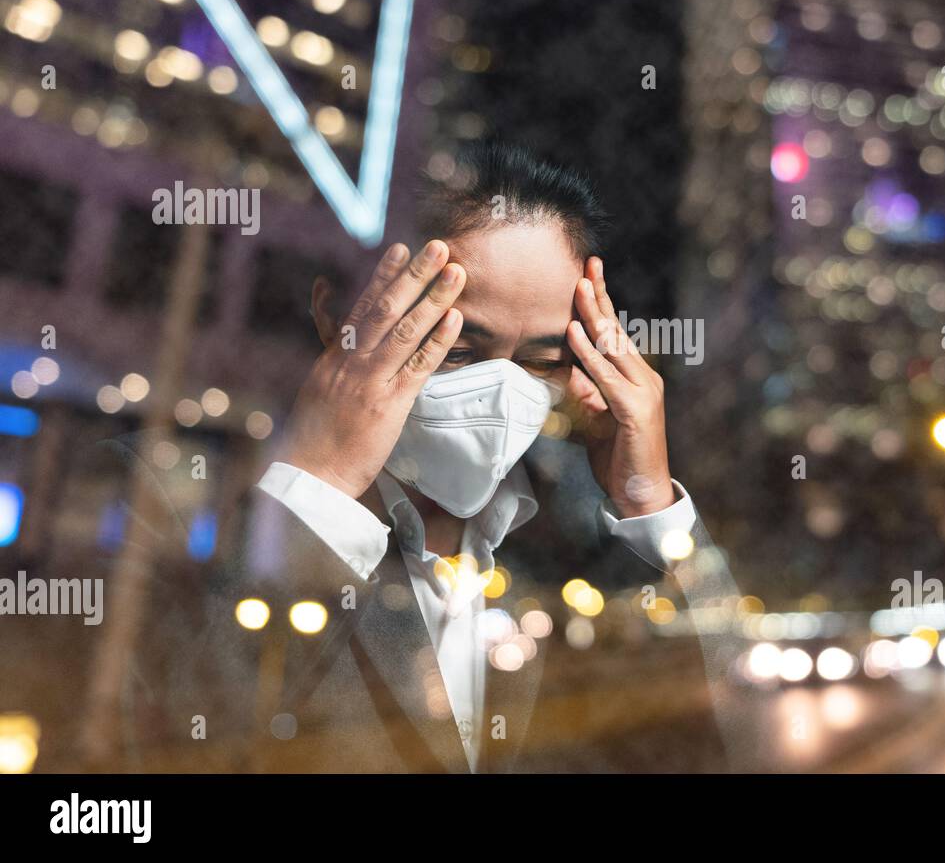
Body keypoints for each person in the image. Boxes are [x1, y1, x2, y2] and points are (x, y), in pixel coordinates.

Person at [96, 143, 748, 772]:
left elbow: (717, 733)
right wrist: (318, 494)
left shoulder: (565, 542)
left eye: (544, 359)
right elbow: (169, 739)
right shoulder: (176, 511)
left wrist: (650, 505)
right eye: (455, 348)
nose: (500, 392)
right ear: (343, 323)